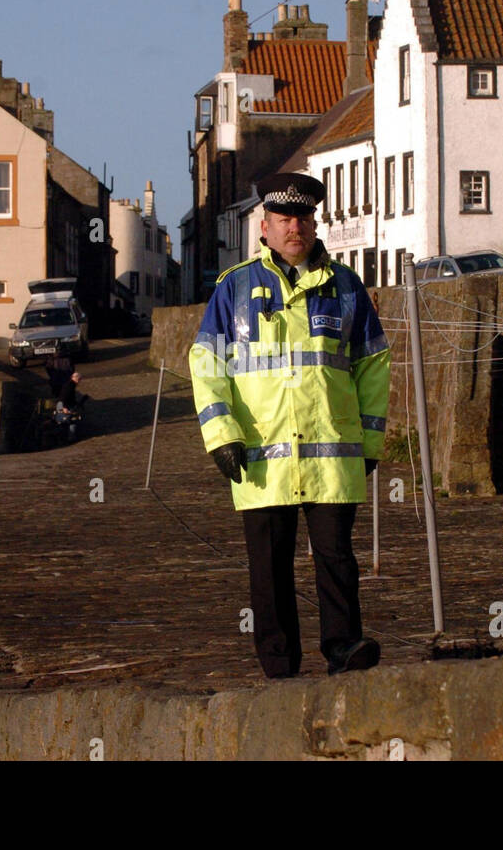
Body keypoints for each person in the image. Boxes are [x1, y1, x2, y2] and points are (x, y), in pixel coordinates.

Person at [188, 172, 391, 679]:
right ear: (265, 226)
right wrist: (221, 435)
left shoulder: (346, 288)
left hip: (332, 456)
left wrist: (369, 442)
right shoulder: (233, 289)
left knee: (337, 561)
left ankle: (343, 647)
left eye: (302, 218)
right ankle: (278, 661)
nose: (293, 227)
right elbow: (206, 362)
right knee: (268, 567)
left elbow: (373, 364)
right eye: (283, 219)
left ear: (315, 223)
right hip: (260, 457)